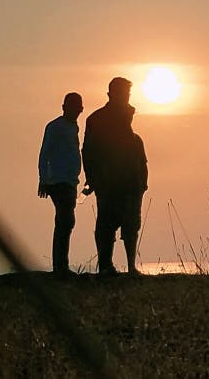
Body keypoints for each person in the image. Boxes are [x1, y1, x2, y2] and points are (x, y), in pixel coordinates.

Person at [82, 77, 148, 275]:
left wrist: (141, 183)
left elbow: (88, 151)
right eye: (125, 94)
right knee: (107, 224)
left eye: (128, 94)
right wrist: (93, 178)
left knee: (128, 224)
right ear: (112, 94)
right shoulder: (98, 119)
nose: (127, 98)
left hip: (128, 180)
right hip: (110, 180)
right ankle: (107, 266)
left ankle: (127, 266)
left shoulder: (124, 119)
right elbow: (88, 151)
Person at [38, 92, 84, 275]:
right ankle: (60, 266)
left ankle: (60, 265)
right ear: (64, 107)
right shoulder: (55, 127)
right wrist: (44, 180)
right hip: (58, 181)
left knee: (65, 221)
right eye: (73, 107)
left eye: (78, 108)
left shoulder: (74, 127)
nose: (77, 111)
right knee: (65, 220)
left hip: (70, 181)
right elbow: (45, 154)